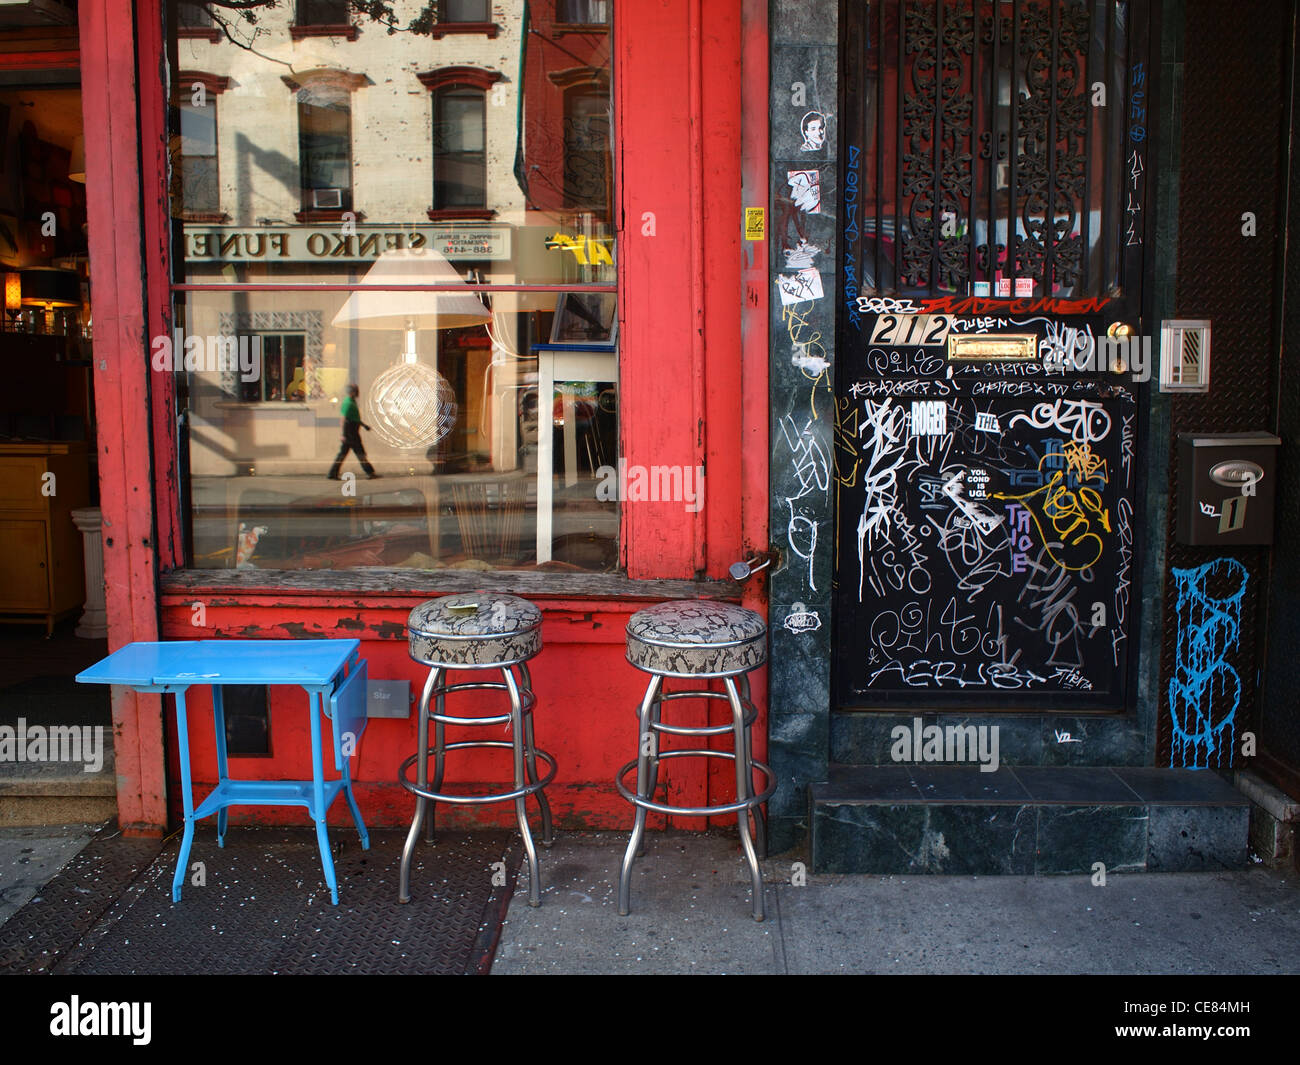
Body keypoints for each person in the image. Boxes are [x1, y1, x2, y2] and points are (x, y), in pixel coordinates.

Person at [327, 383, 380, 479]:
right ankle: (370, 473)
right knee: (359, 453)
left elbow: (354, 417)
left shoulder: (352, 402)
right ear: (352, 392)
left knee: (346, 454)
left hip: (352, 430)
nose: (357, 393)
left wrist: (364, 426)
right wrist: (343, 434)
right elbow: (343, 419)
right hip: (350, 432)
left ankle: (332, 473)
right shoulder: (348, 403)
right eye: (356, 390)